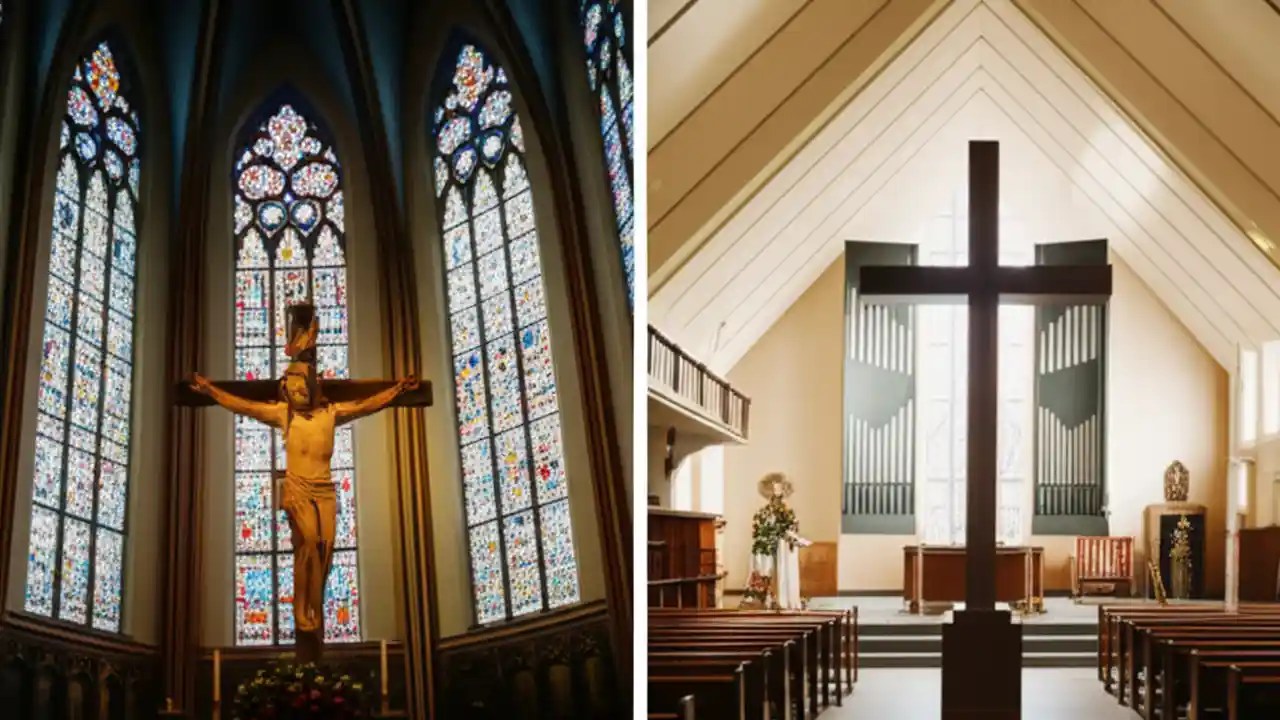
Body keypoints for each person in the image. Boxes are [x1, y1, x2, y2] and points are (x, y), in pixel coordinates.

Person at [742, 472, 811, 610]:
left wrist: (792, 536)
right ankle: (765, 597)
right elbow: (759, 528)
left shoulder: (787, 512)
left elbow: (791, 527)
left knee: (782, 573)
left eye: (780, 490)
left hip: (784, 549)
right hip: (766, 548)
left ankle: (781, 598)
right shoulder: (763, 512)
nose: (777, 495)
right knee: (766, 570)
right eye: (774, 490)